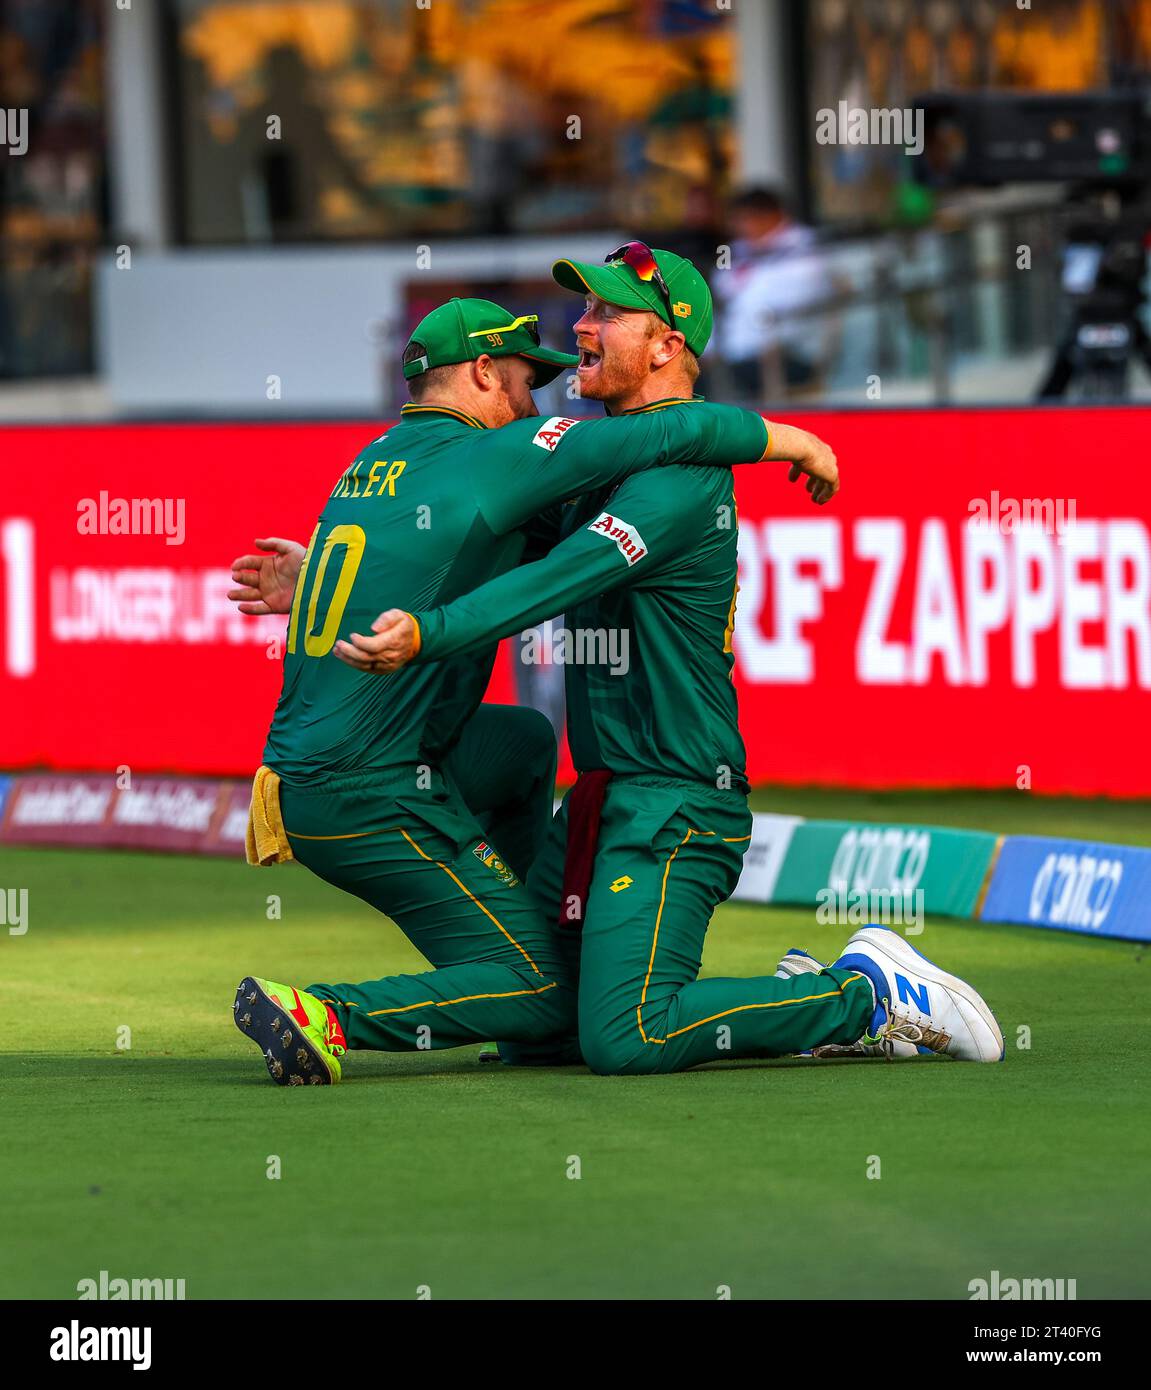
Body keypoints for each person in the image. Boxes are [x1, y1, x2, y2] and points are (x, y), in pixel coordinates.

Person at [339, 245, 1005, 1074]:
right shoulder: (613, 459)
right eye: (583, 309)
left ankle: (866, 994)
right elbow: (473, 543)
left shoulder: (680, 478)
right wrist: (325, 575)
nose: (579, 327)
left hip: (677, 802)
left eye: (606, 315)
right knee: (534, 1022)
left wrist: (429, 632)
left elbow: (551, 578)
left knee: (627, 1037)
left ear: (665, 346)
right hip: (603, 799)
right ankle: (790, 1000)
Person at [228, 293, 836, 1085]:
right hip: (369, 787)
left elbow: (463, 549)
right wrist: (795, 439)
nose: (530, 401)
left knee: (521, 748)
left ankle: (841, 996)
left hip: (338, 775)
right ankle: (352, 1007)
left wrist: (333, 588)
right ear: (482, 371)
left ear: (666, 345)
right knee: (553, 997)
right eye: (521, 381)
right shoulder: (504, 454)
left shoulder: (381, 456)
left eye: (601, 316)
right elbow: (673, 430)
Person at [715, 187, 836, 398]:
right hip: (739, 350)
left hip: (792, 350)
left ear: (772, 216)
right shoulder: (740, 248)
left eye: (746, 219)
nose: (740, 227)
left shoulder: (803, 245)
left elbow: (792, 299)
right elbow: (722, 287)